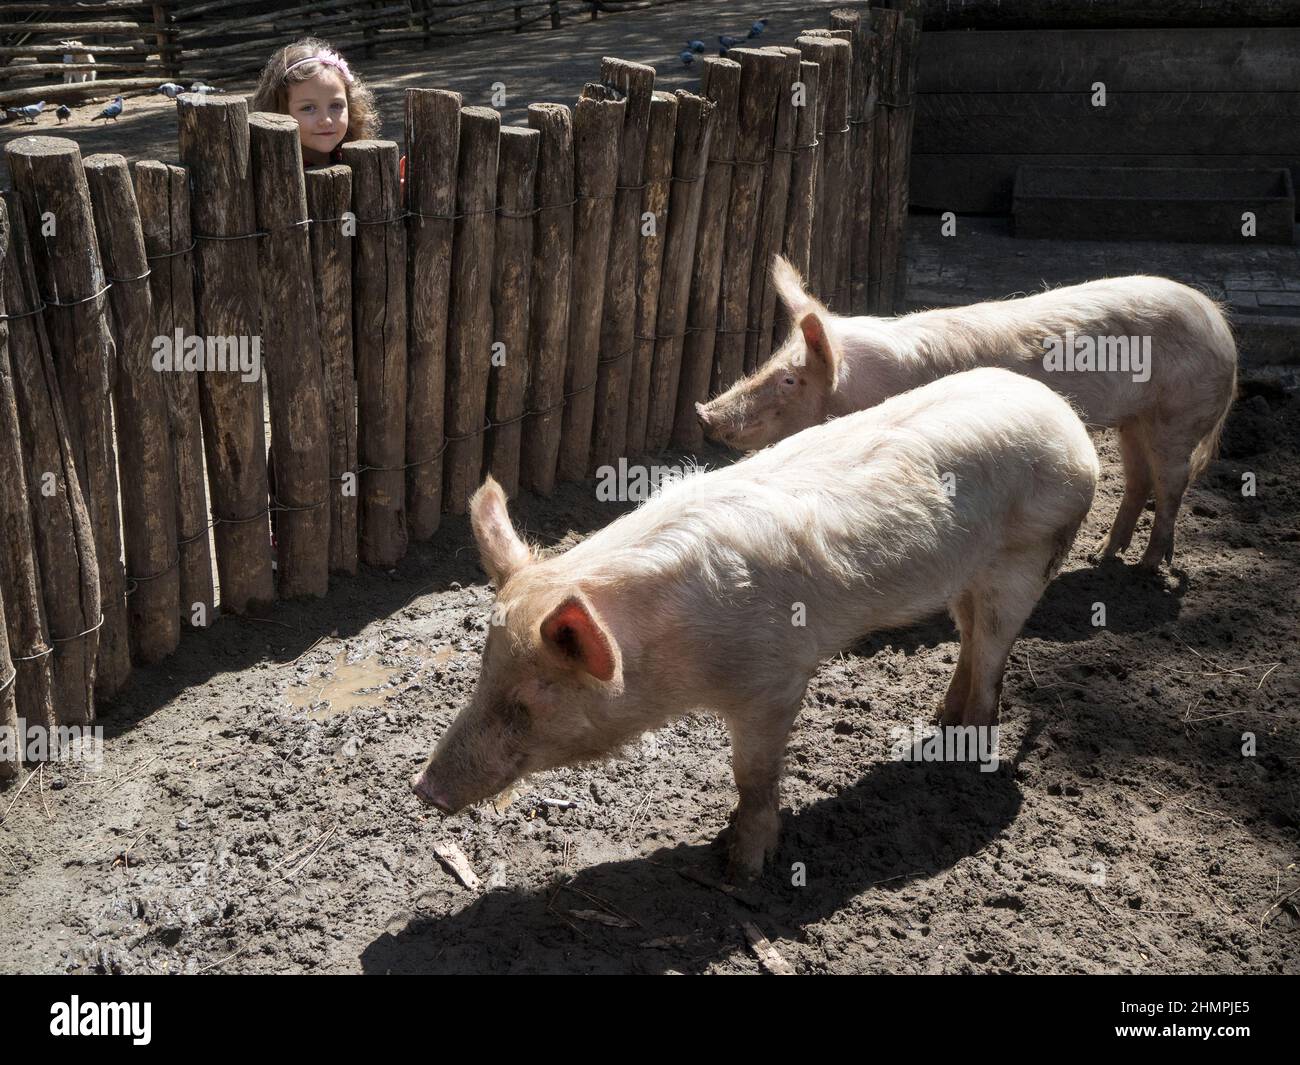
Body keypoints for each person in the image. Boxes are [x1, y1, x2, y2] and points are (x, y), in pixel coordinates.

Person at [251, 37, 379, 167]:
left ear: (350, 106)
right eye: (308, 108)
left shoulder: (357, 160)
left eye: (336, 105)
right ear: (278, 112)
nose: (326, 120)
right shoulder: (272, 171)